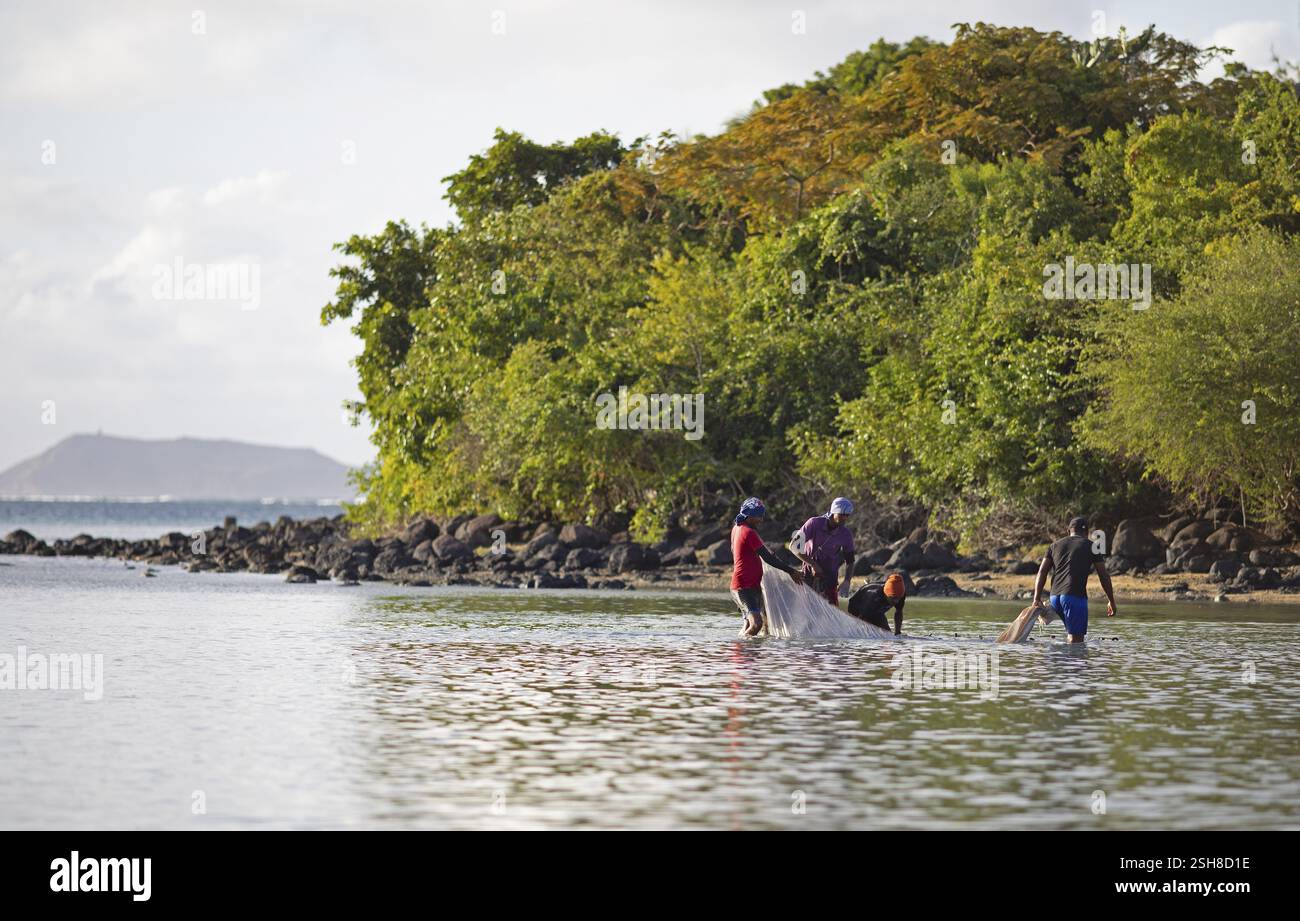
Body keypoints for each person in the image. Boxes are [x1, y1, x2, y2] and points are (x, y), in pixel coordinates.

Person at [1031, 515, 1117, 644]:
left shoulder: (1054, 546)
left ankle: (1059, 662)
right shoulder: (1092, 546)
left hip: (1054, 598)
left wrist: (1036, 598)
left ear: (1068, 531)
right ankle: (1071, 663)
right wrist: (1111, 601)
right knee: (1076, 641)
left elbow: (1042, 571)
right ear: (1087, 532)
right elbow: (1103, 575)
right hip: (1074, 597)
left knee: (1071, 634)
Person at [730, 497, 803, 636]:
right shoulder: (748, 532)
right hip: (744, 587)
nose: (761, 520)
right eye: (759, 516)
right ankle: (744, 652)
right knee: (757, 624)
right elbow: (767, 557)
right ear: (749, 516)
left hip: (751, 586)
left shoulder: (737, 528)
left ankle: (743, 652)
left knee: (752, 623)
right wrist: (791, 571)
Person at [793, 497, 856, 607]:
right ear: (833, 512)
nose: (844, 518)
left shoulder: (845, 534)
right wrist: (813, 564)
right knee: (807, 612)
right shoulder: (813, 523)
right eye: (842, 515)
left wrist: (847, 581)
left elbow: (850, 561)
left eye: (847, 516)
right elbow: (794, 546)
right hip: (808, 576)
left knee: (832, 615)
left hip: (830, 578)